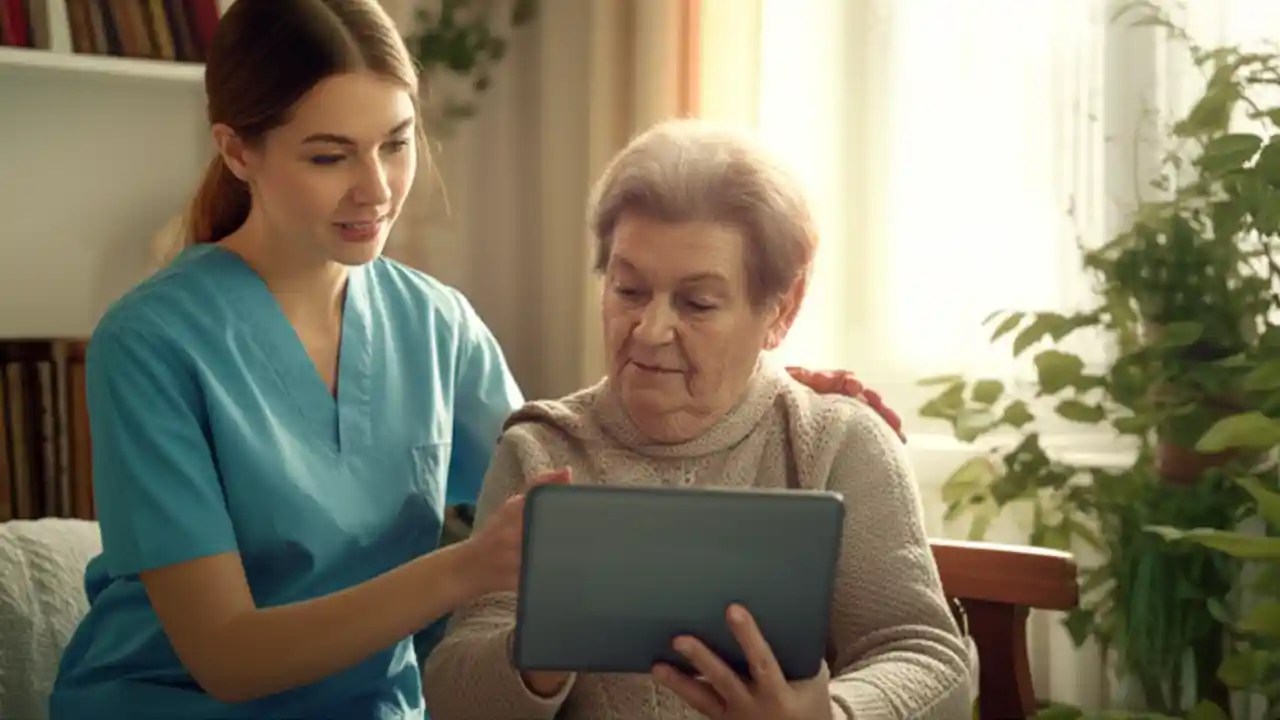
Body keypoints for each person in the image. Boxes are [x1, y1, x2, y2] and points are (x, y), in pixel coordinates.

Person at [47, 2, 889, 718]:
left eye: (396, 142)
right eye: (330, 155)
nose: (377, 188)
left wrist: (754, 386)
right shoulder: (150, 344)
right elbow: (226, 657)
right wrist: (465, 568)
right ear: (238, 152)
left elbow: (581, 468)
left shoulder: (435, 324)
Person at [420, 119, 976, 720]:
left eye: (697, 303)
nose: (650, 330)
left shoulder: (838, 443)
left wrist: (833, 715)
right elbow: (450, 697)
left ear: (781, 309)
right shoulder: (540, 450)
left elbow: (928, 658)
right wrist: (536, 654)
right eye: (629, 290)